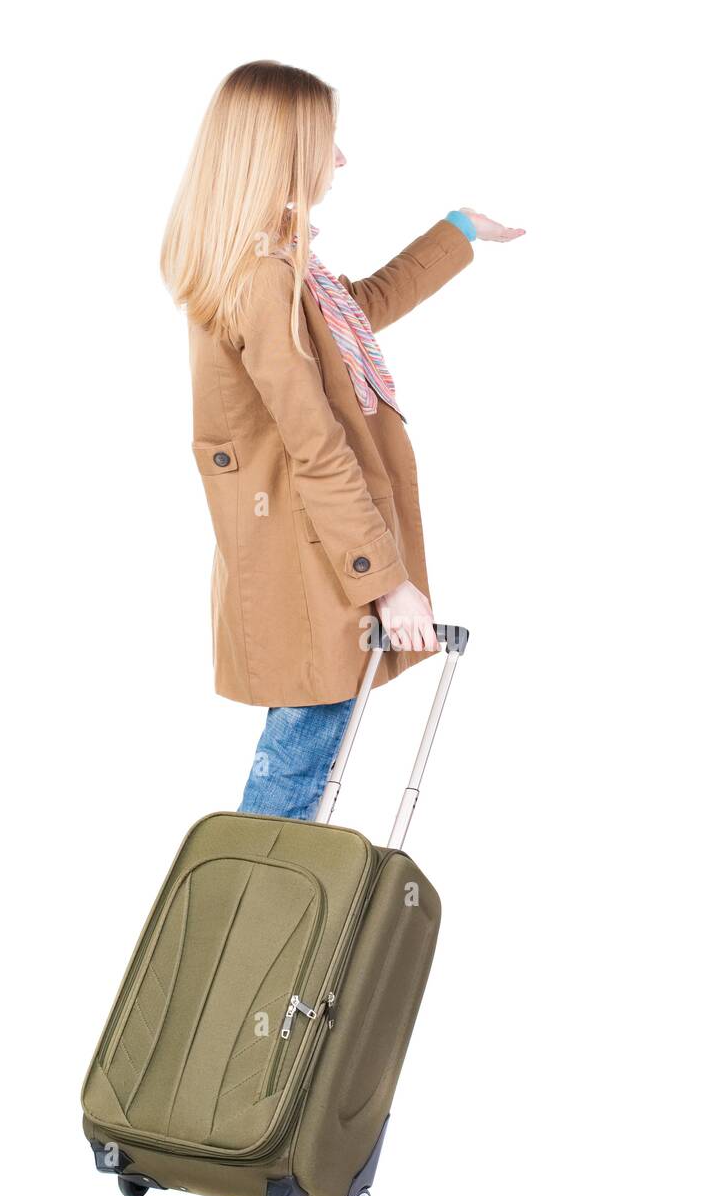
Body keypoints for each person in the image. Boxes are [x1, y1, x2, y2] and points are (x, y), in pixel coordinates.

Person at [161, 60, 524, 819]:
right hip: (310, 554)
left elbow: (353, 314)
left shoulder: (273, 264)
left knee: (302, 757)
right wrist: (384, 579)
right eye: (328, 142)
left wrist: (456, 234)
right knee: (296, 770)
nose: (341, 160)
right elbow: (314, 444)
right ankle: (257, 928)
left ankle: (266, 924)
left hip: (305, 547)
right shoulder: (263, 278)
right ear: (285, 149)